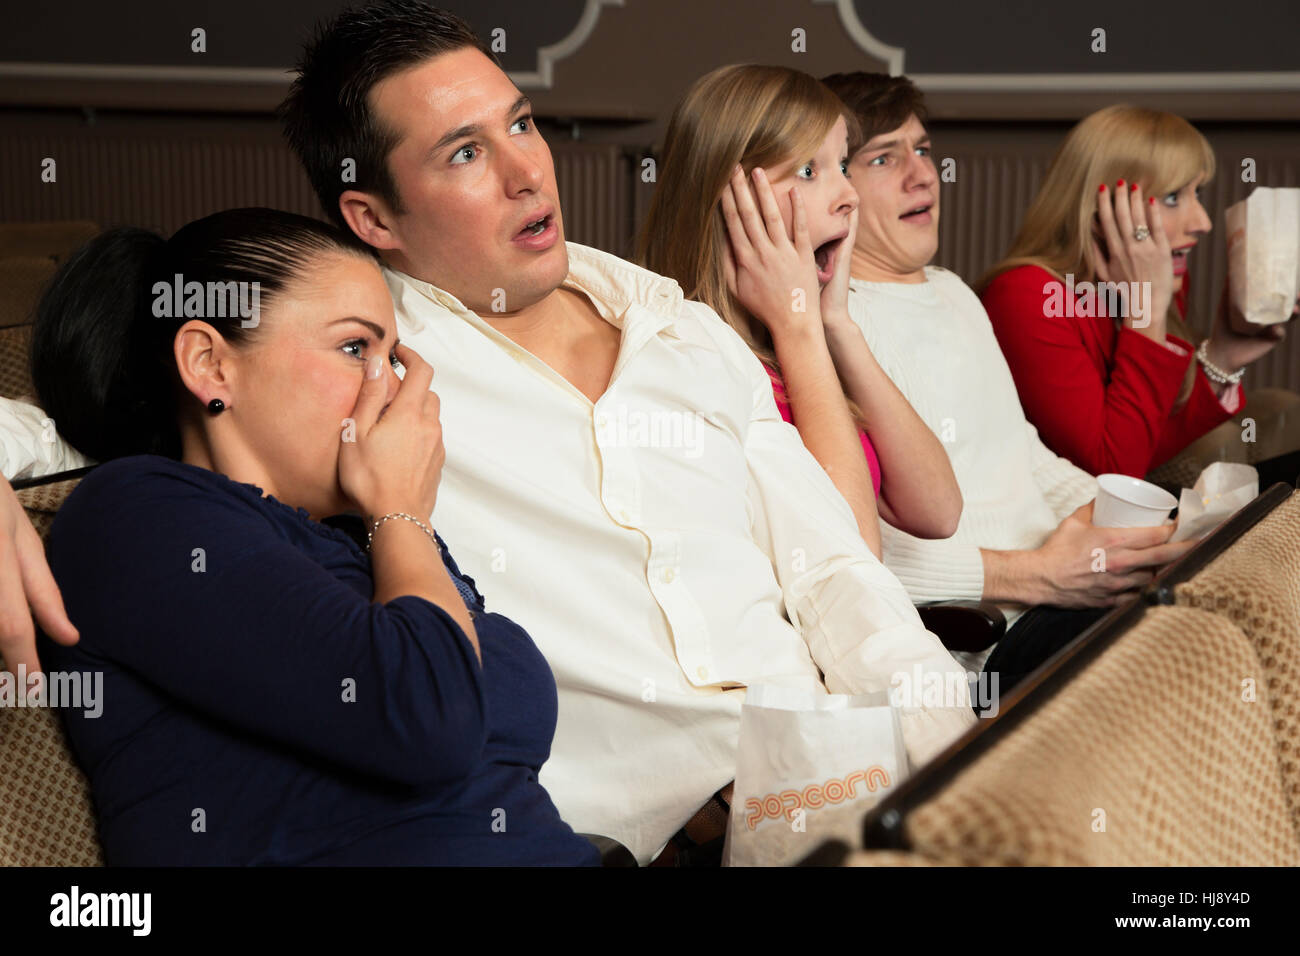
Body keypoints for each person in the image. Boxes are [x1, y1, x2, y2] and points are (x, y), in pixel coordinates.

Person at [1, 3, 975, 865]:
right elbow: (94, 412)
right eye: (463, 151)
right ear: (370, 215)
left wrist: (937, 732)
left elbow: (831, 566)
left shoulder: (680, 326)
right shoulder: (359, 368)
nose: (524, 171)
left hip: (850, 782)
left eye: (521, 123)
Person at [29, 207, 600, 866]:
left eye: (392, 356)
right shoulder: (134, 515)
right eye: (355, 348)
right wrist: (401, 510)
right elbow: (431, 722)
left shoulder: (368, 534)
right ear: (210, 365)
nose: (386, 387)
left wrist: (391, 520)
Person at [819, 71, 1194, 686]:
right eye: (884, 157)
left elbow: (1022, 451)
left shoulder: (954, 292)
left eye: (923, 149)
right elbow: (848, 553)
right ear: (838, 183)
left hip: (1064, 587)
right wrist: (1037, 572)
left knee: (1222, 581)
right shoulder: (833, 326)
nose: (921, 174)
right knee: (1186, 648)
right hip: (985, 637)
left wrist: (1143, 525)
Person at [637, 65, 962, 560]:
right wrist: (800, 328)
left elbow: (938, 511)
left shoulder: (797, 337)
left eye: (844, 166)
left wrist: (836, 323)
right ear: (730, 200)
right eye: (810, 171)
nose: (849, 196)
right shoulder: (692, 360)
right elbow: (856, 563)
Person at [977, 104, 1300, 479]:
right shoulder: (1025, 296)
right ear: (1104, 205)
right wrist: (1144, 308)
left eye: (1198, 193)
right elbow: (1112, 471)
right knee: (1221, 445)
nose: (1203, 223)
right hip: (1072, 508)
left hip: (1127, 477)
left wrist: (1224, 357)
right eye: (1173, 197)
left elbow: (1150, 439)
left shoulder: (1150, 275)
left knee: (1281, 408)